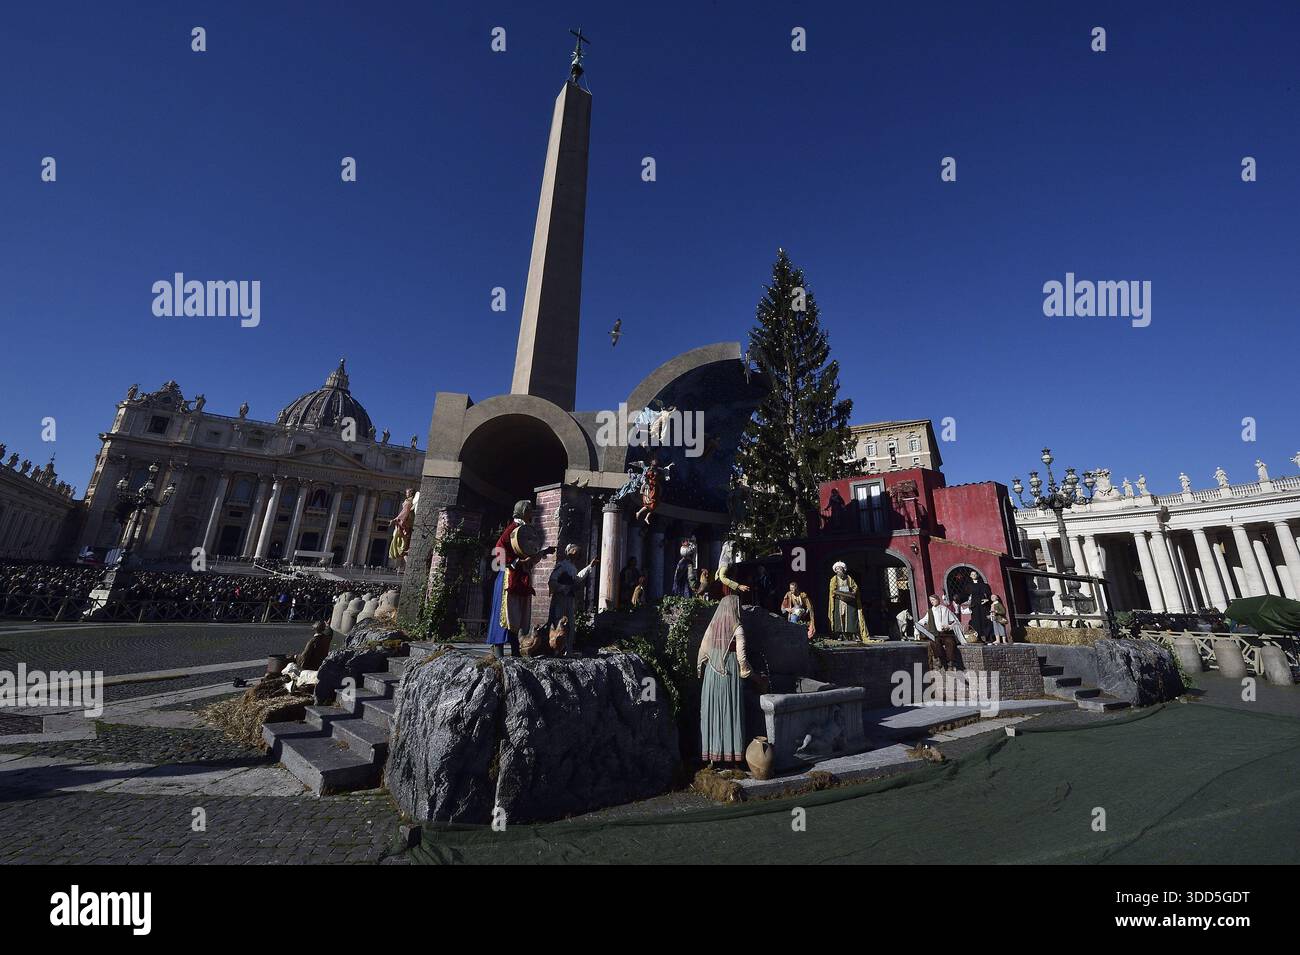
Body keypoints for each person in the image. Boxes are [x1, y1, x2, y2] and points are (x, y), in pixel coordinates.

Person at [487, 500, 553, 659]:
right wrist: (515, 563)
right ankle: (498, 650)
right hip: (509, 577)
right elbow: (498, 550)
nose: (532, 512)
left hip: (521, 576)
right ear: (523, 512)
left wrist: (543, 552)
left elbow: (528, 555)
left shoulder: (525, 530)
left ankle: (516, 649)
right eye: (529, 509)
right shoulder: (512, 529)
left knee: (518, 614)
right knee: (505, 614)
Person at [697, 595, 750, 765]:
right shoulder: (737, 627)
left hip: (712, 673)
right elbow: (742, 658)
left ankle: (712, 757)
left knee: (712, 711)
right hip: (729, 671)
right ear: (734, 607)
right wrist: (748, 672)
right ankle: (732, 757)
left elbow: (704, 649)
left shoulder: (714, 625)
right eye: (739, 606)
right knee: (730, 709)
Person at [547, 544, 597, 630]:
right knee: (558, 621)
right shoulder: (562, 565)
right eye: (574, 552)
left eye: (577, 553)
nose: (576, 555)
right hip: (561, 597)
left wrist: (590, 566)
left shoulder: (573, 567)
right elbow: (552, 581)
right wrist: (565, 587)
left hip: (570, 598)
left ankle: (567, 642)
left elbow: (577, 579)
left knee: (569, 623)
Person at [915, 594, 963, 669]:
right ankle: (940, 660)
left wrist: (948, 627)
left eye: (933, 600)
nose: (932, 602)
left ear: (938, 599)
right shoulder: (930, 612)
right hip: (936, 634)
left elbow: (954, 621)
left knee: (950, 642)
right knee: (934, 643)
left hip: (946, 633)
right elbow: (923, 620)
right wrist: (917, 625)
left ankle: (950, 662)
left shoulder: (945, 609)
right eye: (931, 600)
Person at [827, 562, 866, 641]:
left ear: (843, 569)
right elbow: (832, 589)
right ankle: (840, 634)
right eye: (837, 569)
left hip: (849, 600)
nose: (839, 570)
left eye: (840, 568)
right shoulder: (834, 579)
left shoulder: (849, 578)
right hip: (839, 600)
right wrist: (838, 593)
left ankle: (855, 634)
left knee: (852, 617)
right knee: (839, 617)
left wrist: (853, 592)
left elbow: (855, 587)